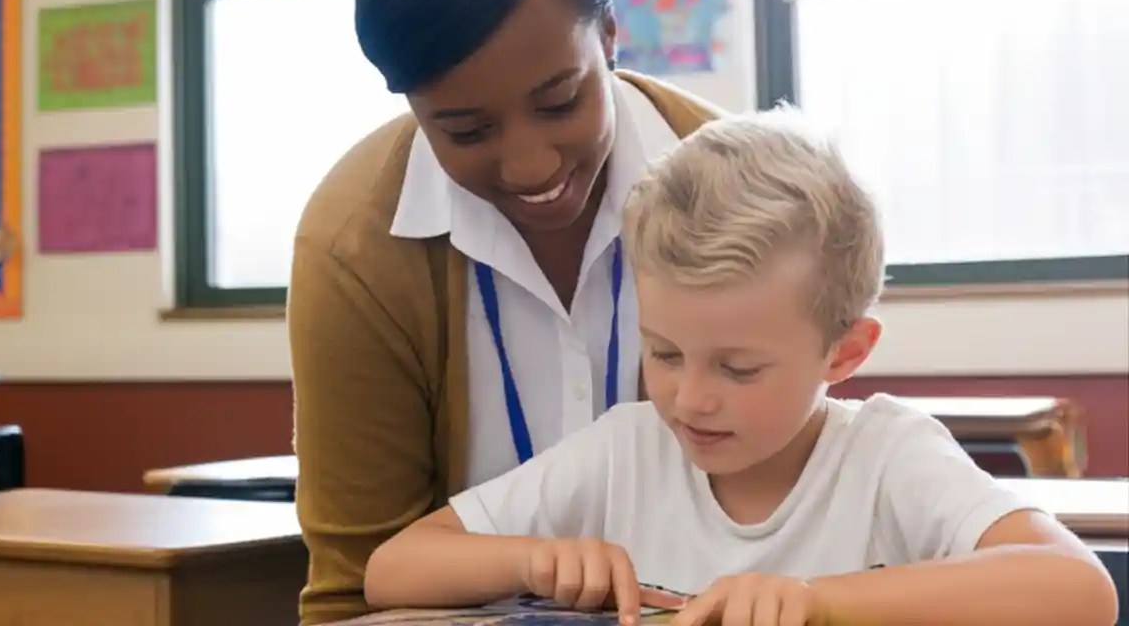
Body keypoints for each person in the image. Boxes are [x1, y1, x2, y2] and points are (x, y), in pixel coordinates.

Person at [362, 108, 1121, 626]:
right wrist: (535, 558)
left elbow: (1079, 589)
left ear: (845, 352)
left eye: (739, 369)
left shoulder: (887, 456)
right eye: (664, 353)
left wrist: (813, 602)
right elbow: (393, 571)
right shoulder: (626, 450)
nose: (690, 398)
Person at [288, 0, 725, 621]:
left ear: (611, 35)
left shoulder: (739, 188)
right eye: (468, 130)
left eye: (560, 102)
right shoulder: (356, 249)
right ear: (413, 106)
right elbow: (353, 593)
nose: (531, 165)